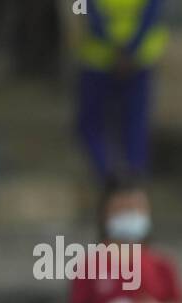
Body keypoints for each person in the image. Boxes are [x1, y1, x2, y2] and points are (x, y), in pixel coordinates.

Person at [75, 0, 167, 180]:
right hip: (138, 59)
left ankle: (110, 179)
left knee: (93, 126)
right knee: (133, 125)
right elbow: (153, 12)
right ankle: (132, 183)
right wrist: (130, 49)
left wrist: (116, 49)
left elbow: (88, 11)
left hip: (100, 58)